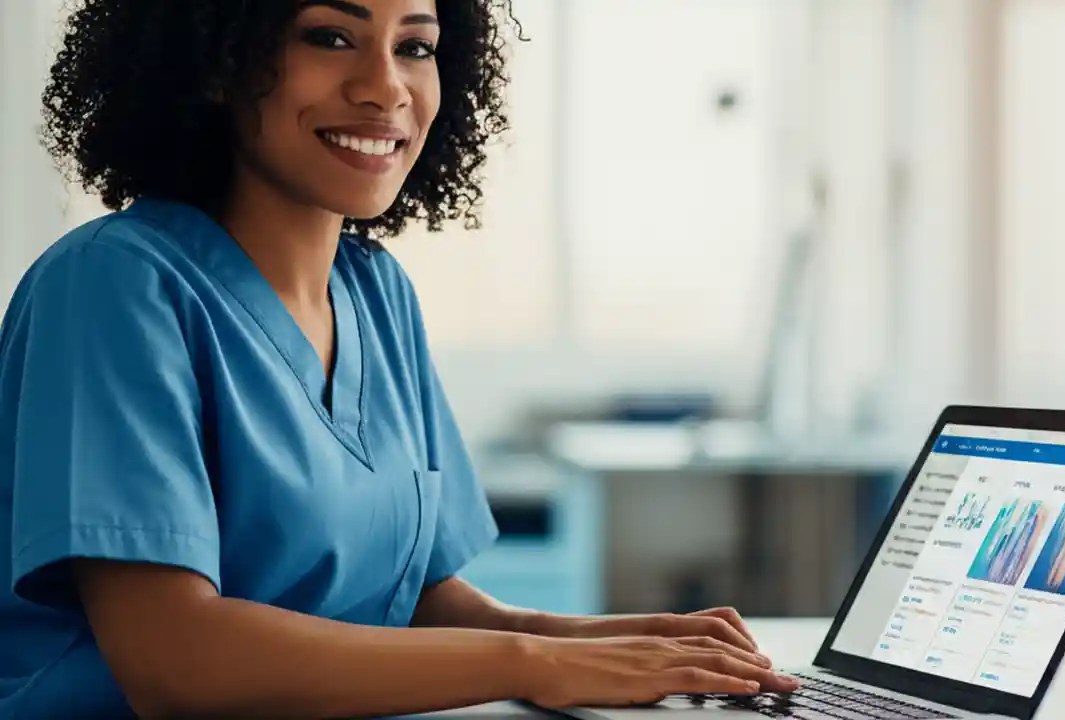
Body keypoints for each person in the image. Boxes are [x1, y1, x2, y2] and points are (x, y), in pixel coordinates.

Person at [0, 1, 801, 716]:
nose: (385, 87)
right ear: (216, 63)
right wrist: (535, 661)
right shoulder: (113, 284)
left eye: (415, 46)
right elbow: (173, 662)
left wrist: (598, 640)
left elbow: (407, 599)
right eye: (331, 36)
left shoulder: (377, 292)